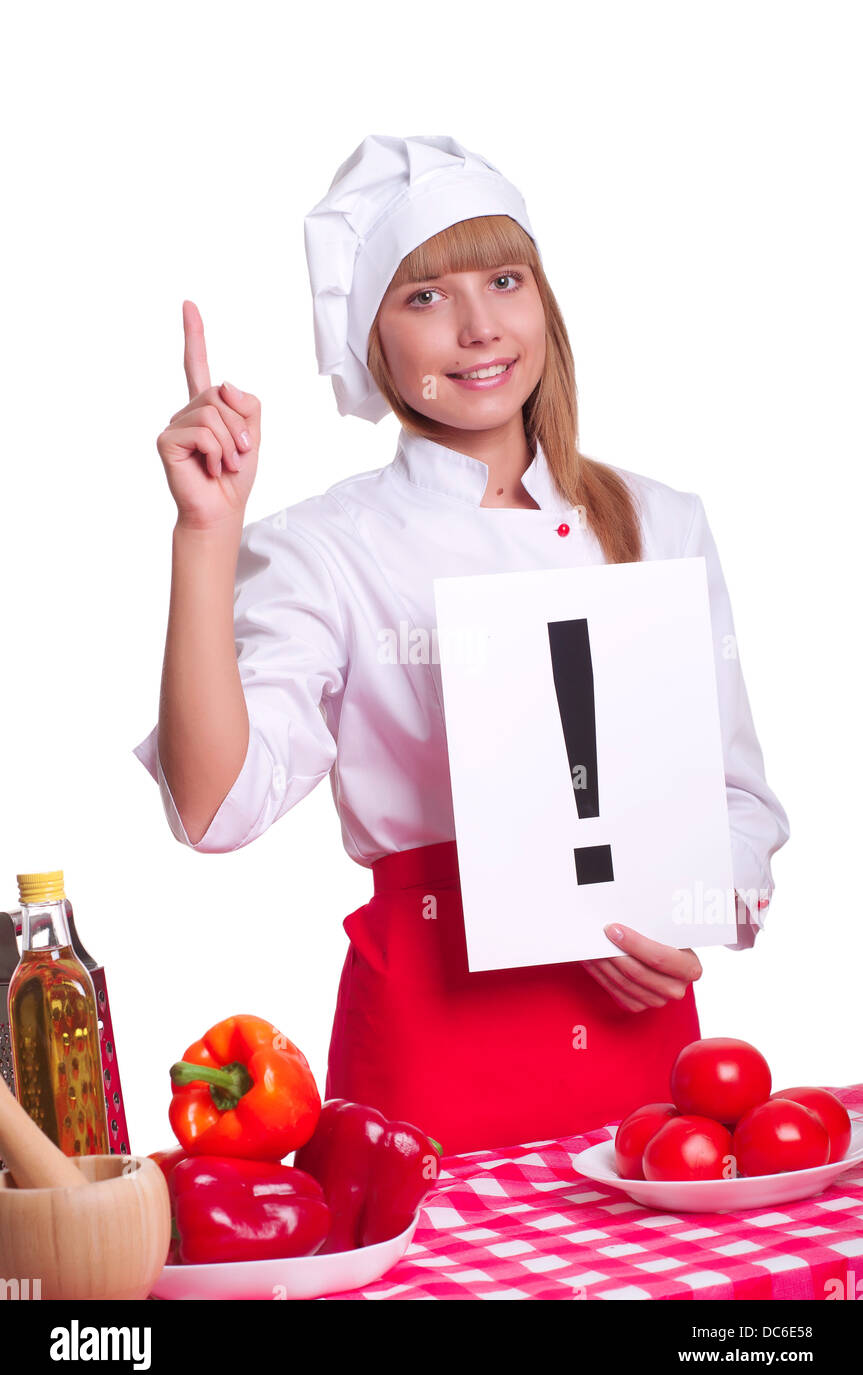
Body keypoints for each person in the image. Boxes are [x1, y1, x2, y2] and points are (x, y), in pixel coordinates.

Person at [133, 134, 790, 1156]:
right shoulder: (324, 548)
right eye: (425, 297)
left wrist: (690, 909)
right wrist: (206, 537)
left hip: (639, 1032)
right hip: (431, 1048)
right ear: (372, 344)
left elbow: (738, 802)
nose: (479, 327)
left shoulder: (659, 521)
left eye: (503, 278)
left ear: (543, 302)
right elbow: (213, 805)